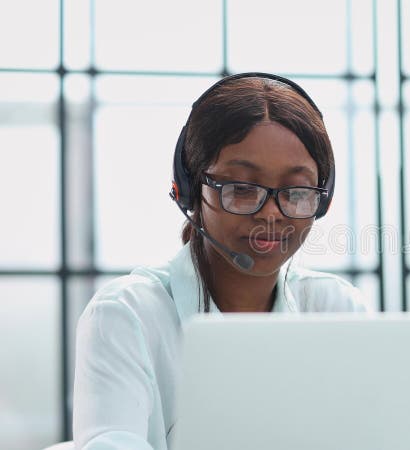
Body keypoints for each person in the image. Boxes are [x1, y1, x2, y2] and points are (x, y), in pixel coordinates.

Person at [73, 73, 365, 449]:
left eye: (296, 191)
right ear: (190, 190)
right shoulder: (126, 316)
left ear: (320, 200)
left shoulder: (335, 310)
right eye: (242, 189)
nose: (272, 214)